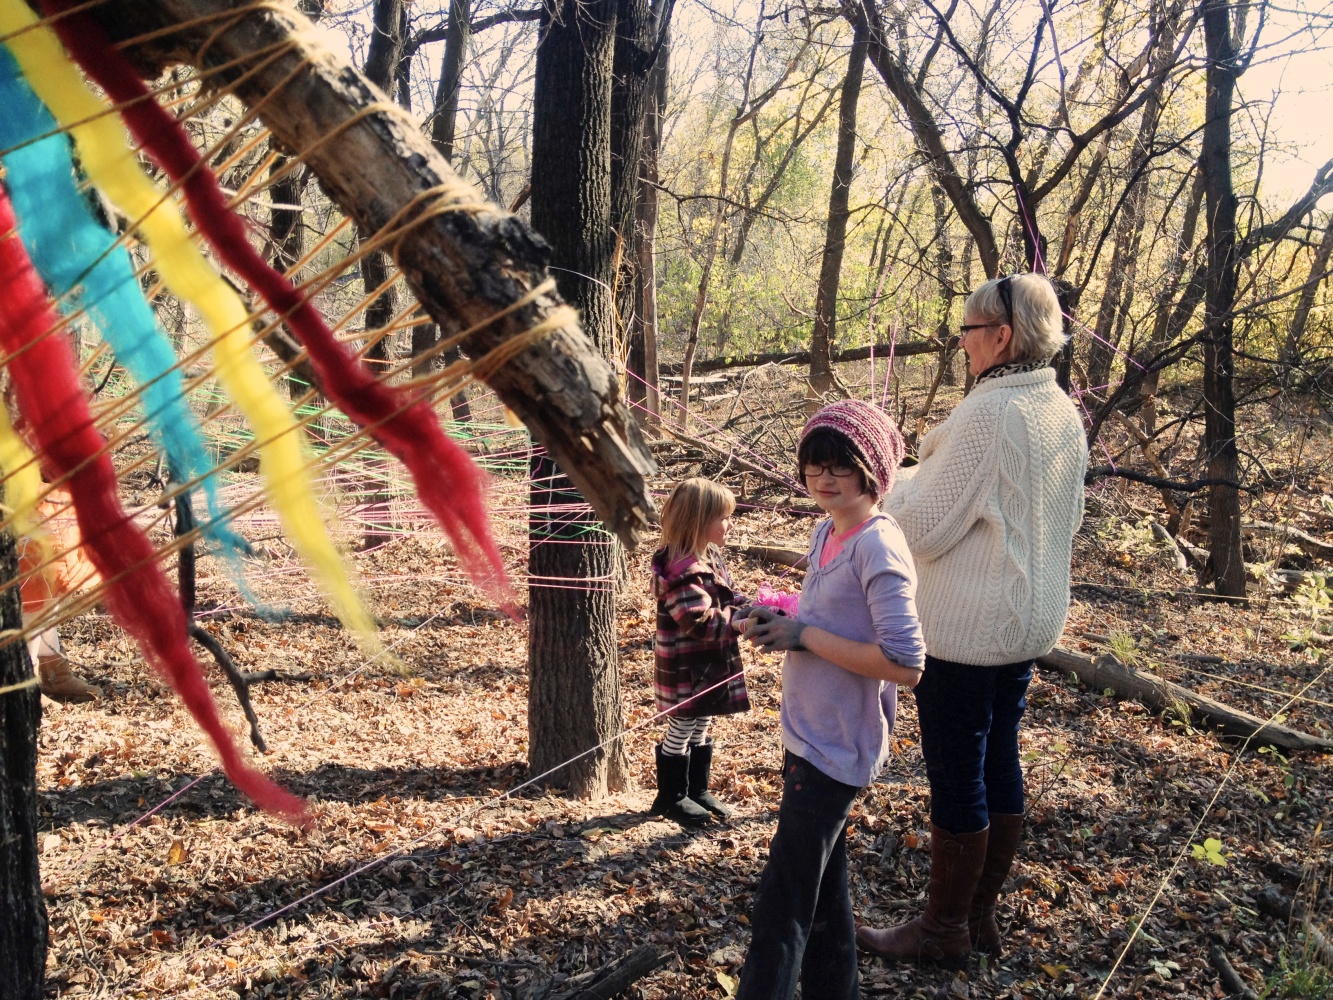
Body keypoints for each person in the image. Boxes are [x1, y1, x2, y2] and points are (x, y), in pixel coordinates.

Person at [856, 273, 1089, 965]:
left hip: (968, 631)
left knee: (960, 774)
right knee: (996, 759)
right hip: (1025, 622)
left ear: (1002, 335)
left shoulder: (992, 413)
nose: (961, 342)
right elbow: (1066, 518)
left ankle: (942, 929)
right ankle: (977, 917)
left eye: (967, 329)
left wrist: (885, 483)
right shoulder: (1058, 407)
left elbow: (921, 528)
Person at [734, 400, 926, 1000]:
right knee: (825, 886)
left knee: (782, 901)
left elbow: (906, 664)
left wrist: (804, 635)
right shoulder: (826, 531)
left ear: (872, 471)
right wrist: (779, 620)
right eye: (814, 465)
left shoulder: (879, 547)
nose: (824, 478)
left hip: (839, 745)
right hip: (805, 733)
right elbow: (827, 621)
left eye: (840, 465)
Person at [649, 477, 751, 827]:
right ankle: (671, 795)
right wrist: (737, 623)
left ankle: (697, 788)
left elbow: (727, 596)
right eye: (723, 517)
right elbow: (699, 622)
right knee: (682, 726)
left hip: (707, 666)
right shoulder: (681, 570)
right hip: (686, 668)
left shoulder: (709, 556)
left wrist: (753, 607)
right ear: (698, 521)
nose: (730, 523)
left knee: (703, 722)